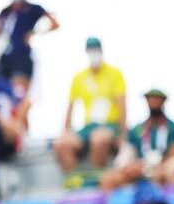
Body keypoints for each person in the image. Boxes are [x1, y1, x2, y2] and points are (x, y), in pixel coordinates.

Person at [54, 37, 127, 173]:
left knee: (100, 138)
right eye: (91, 50)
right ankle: (74, 181)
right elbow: (70, 108)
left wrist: (122, 134)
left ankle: (95, 178)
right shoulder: (79, 77)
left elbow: (122, 105)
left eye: (96, 49)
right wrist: (67, 132)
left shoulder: (114, 74)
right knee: (62, 144)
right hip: (88, 127)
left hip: (109, 125)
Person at [100, 89, 174, 191]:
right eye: (150, 99)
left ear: (163, 101)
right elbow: (126, 154)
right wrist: (130, 167)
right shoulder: (137, 130)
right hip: (140, 168)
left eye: (157, 99)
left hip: (162, 167)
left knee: (165, 173)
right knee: (109, 178)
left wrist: (155, 168)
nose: (153, 102)